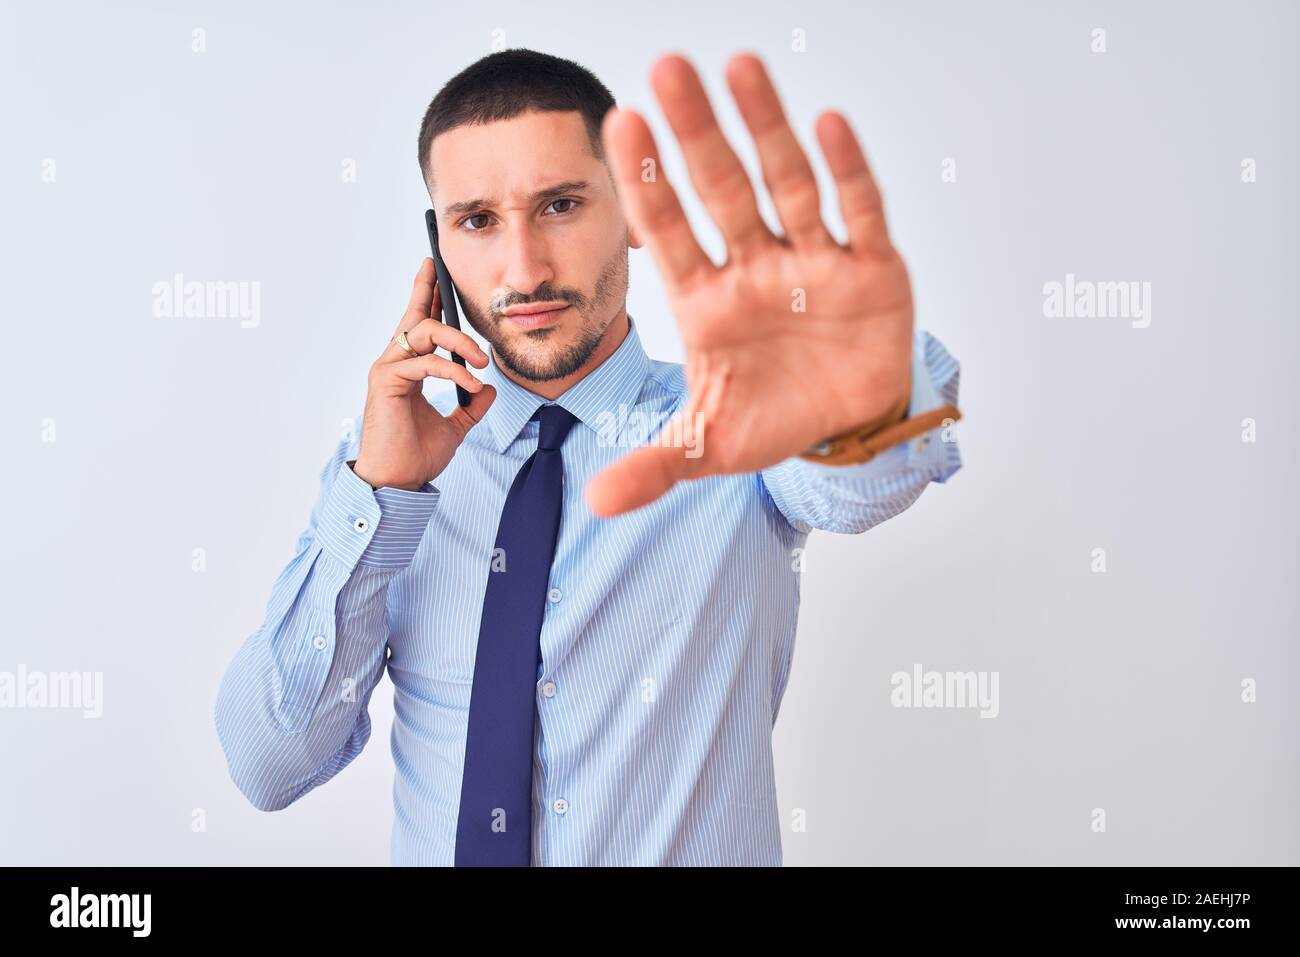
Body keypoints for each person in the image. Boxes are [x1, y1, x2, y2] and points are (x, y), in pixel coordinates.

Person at [214, 47, 962, 866]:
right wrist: (382, 494)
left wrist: (858, 366)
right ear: (439, 243)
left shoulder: (740, 415)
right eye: (478, 221)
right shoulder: (389, 468)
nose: (525, 268)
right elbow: (268, 763)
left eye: (561, 205)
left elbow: (864, 478)